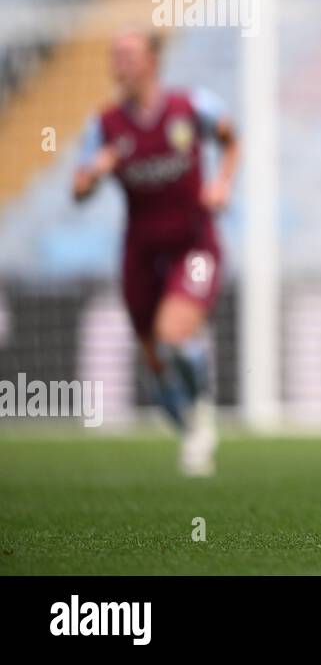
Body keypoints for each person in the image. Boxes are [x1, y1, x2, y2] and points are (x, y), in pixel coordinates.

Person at [72, 29, 238, 476]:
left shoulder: (191, 107)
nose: (118, 63)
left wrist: (221, 182)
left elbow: (230, 138)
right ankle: (190, 426)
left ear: (151, 61)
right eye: (114, 55)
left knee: (172, 336)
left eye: (127, 54)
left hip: (194, 244)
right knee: (154, 361)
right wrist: (95, 171)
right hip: (140, 252)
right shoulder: (104, 126)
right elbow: (78, 189)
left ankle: (202, 415)